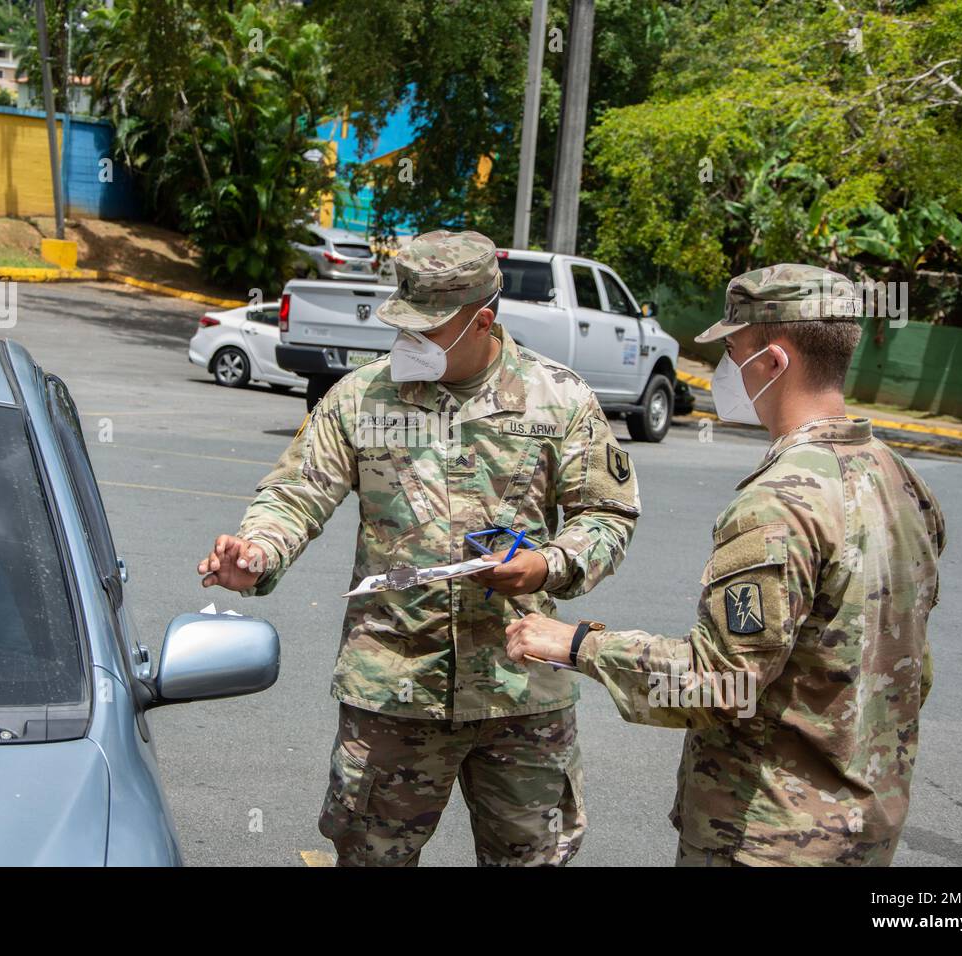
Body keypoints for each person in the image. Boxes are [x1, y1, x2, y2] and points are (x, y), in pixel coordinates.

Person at [197, 229, 639, 866]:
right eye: (402, 325)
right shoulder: (361, 397)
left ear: (482, 320)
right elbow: (296, 493)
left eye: (428, 330)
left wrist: (550, 564)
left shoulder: (560, 400)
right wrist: (259, 550)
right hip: (391, 690)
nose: (408, 342)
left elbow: (606, 513)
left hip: (520, 693)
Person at [505, 263, 947, 866]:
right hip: (865, 827)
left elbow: (719, 684)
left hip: (770, 837)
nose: (722, 371)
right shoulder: (901, 479)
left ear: (774, 360)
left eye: (732, 350)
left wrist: (577, 644)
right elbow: (908, 671)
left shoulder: (779, 502)